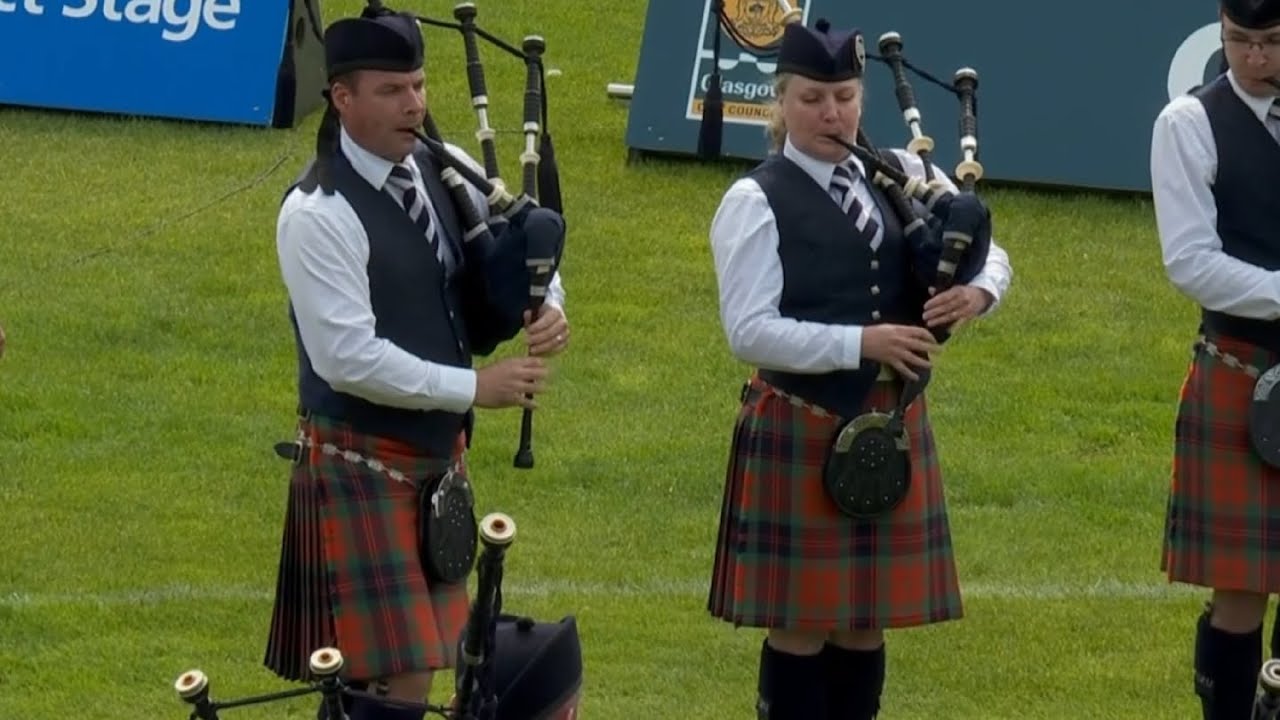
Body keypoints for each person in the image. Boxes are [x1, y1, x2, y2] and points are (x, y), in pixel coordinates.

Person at [261, 9, 570, 720]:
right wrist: (474, 387)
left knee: (421, 672)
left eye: (421, 85)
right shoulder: (317, 212)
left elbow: (514, 239)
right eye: (394, 90)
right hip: (362, 464)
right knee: (385, 680)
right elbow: (347, 359)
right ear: (342, 97)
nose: (416, 105)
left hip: (434, 468)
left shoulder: (439, 167)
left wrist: (547, 301)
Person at [704, 18, 1012, 720]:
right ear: (780, 103)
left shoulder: (901, 170)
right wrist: (862, 344)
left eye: (843, 95)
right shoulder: (756, 199)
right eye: (811, 98)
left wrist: (979, 290)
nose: (831, 113)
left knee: (864, 620)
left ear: (861, 96)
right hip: (801, 424)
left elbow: (989, 244)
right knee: (802, 624)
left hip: (890, 428)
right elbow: (749, 330)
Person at [1154, 0, 1280, 717]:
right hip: (1242, 371)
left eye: (1271, 43)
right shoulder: (1189, 125)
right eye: (1240, 42)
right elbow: (1192, 263)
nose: (1254, 58)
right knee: (1239, 591)